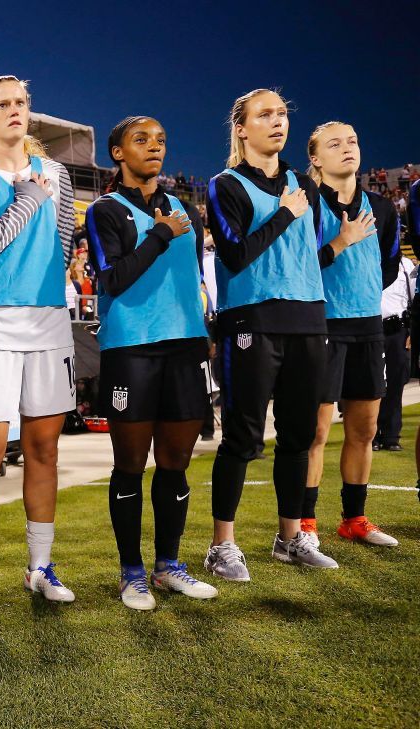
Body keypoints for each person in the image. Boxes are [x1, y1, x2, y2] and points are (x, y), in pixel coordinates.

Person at [0, 75, 78, 613]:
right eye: (2, 104)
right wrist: (26, 200)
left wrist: (37, 197)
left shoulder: (58, 174)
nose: (14, 111)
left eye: (22, 102)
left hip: (48, 319)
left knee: (44, 450)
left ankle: (39, 567)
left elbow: (65, 243)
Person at [87, 116, 218, 610]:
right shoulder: (104, 210)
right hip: (132, 349)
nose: (155, 147)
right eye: (141, 140)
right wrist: (159, 235)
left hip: (185, 347)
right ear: (117, 153)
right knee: (129, 465)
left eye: (162, 140)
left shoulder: (185, 208)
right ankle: (131, 572)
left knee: (176, 463)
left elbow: (194, 278)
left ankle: (168, 566)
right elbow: (113, 280)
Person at [203, 89, 332, 581]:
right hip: (251, 320)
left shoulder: (306, 186)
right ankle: (223, 546)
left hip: (306, 319)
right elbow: (235, 255)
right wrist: (284, 213)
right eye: (264, 114)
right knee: (243, 437)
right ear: (241, 128)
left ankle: (290, 537)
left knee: (300, 435)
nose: (276, 121)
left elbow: (305, 255)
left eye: (281, 113)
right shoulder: (225, 185)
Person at [304, 122, 400, 548]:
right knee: (316, 433)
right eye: (335, 143)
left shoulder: (381, 207)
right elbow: (298, 266)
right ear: (316, 158)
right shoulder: (306, 204)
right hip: (321, 326)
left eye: (353, 141)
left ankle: (353, 518)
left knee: (364, 430)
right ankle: (303, 525)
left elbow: (390, 266)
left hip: (368, 327)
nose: (348, 149)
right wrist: (342, 244)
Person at [376, 253, 413, 451]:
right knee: (372, 384)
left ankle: (391, 436)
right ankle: (372, 434)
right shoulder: (370, 259)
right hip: (372, 329)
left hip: (398, 331)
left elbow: (413, 300)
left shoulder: (405, 264)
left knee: (396, 384)